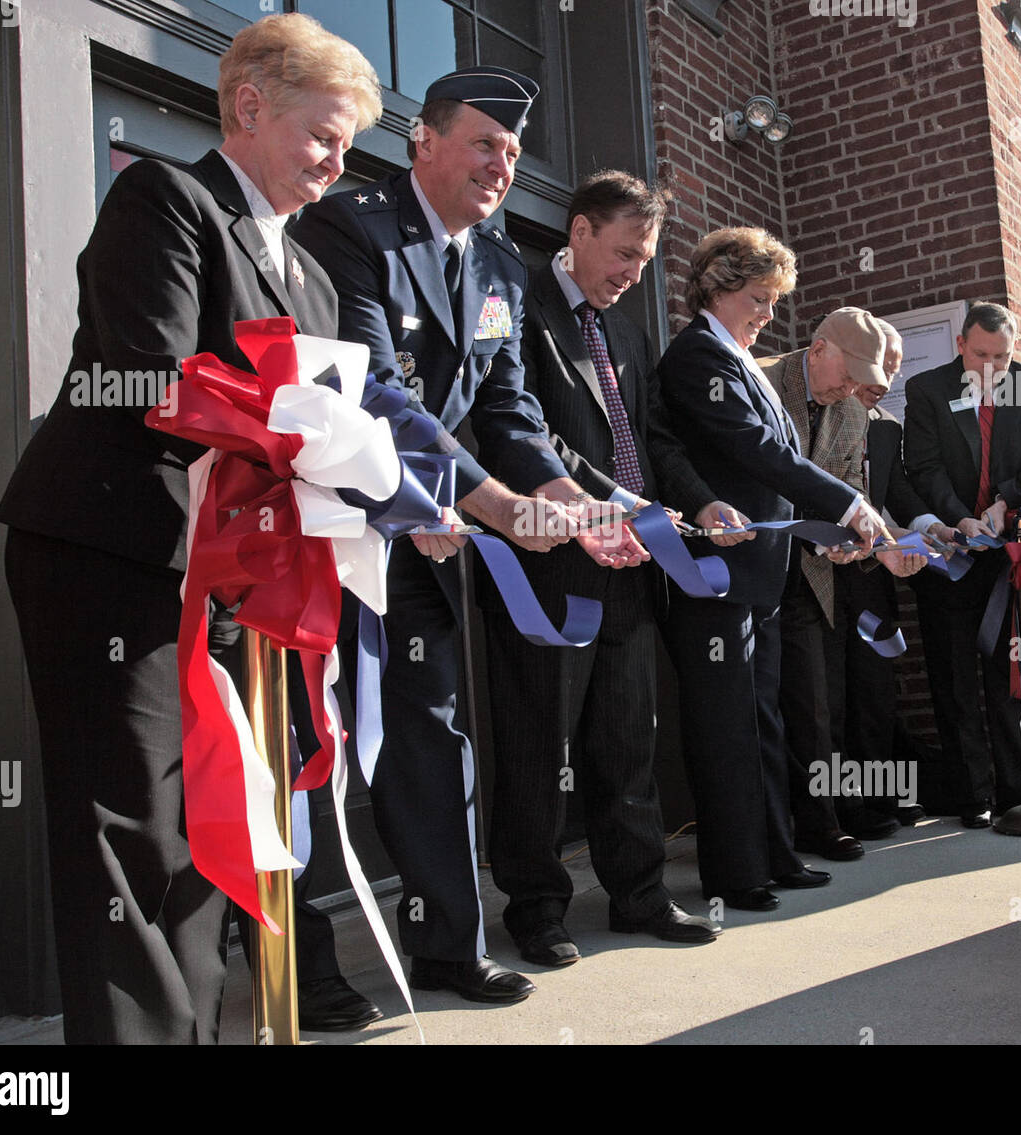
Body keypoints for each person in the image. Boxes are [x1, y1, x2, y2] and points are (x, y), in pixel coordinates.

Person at [0, 13, 381, 1043]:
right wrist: (313, 436)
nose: (338, 165)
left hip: (234, 572)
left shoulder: (313, 275)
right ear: (249, 106)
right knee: (133, 824)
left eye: (348, 147)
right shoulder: (165, 197)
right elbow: (156, 377)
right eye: (323, 136)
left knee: (220, 816)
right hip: (113, 550)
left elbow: (324, 411)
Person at [290, 67, 619, 1005]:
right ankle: (305, 971)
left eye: (512, 154)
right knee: (311, 740)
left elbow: (509, 410)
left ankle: (446, 944)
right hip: (324, 532)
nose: (501, 166)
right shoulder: (349, 228)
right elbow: (374, 388)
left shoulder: (500, 268)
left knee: (430, 736)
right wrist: (499, 506)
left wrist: (567, 500)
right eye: (484, 143)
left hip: (428, 532)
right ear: (422, 142)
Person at [479, 170, 739, 966]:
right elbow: (513, 422)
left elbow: (654, 438)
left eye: (645, 259)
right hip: (549, 563)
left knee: (629, 738)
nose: (633, 273)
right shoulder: (513, 299)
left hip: (633, 566)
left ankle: (639, 893)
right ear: (581, 231)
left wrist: (695, 505)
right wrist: (608, 501)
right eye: (624, 253)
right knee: (537, 742)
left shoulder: (629, 331)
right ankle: (536, 907)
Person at [656, 228, 887, 913]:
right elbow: (761, 454)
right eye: (758, 298)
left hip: (760, 578)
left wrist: (827, 533)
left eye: (773, 300)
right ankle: (735, 872)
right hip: (713, 578)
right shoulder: (697, 357)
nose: (767, 313)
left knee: (762, 724)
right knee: (726, 727)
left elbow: (781, 481)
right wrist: (848, 504)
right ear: (717, 286)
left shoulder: (737, 361)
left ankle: (775, 855)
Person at [760, 309, 922, 857]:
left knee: (815, 703)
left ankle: (820, 821)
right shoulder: (755, 378)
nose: (853, 389)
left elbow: (851, 493)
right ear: (818, 347)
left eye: (862, 381)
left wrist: (877, 544)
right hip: (744, 565)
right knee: (753, 705)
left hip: (811, 574)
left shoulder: (852, 411)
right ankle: (762, 829)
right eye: (847, 375)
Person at [902, 301, 1021, 828]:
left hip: (1007, 556)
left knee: (1007, 677)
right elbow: (922, 467)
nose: (993, 367)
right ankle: (973, 797)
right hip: (950, 554)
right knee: (952, 678)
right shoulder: (928, 390)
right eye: (981, 355)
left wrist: (1004, 502)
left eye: (1003, 356)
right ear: (960, 345)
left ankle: (1017, 791)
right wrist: (958, 519)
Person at [828, 322, 951, 824]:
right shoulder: (823, 417)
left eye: (896, 369)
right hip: (823, 573)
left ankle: (880, 798)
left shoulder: (885, 426)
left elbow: (895, 490)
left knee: (875, 690)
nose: (888, 378)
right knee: (833, 695)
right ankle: (843, 806)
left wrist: (930, 525)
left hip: (873, 579)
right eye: (882, 366)